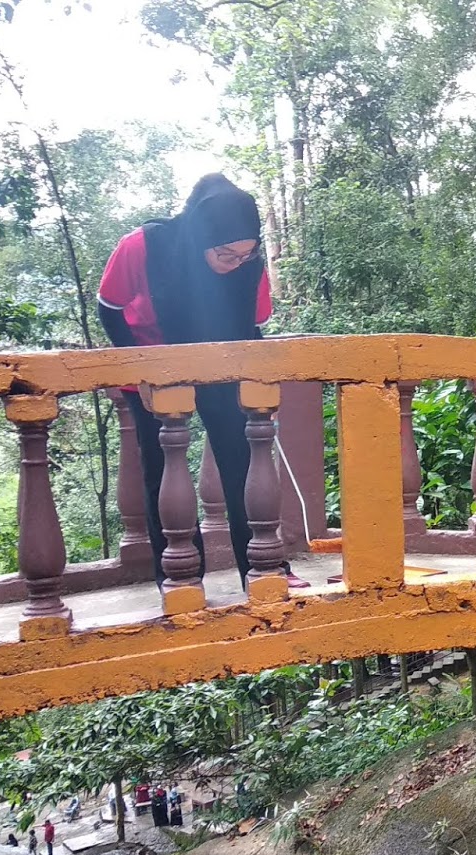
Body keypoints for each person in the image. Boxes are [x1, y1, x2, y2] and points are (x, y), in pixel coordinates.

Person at [98, 174, 308, 591]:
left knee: (242, 461)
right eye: (226, 254)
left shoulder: (248, 265)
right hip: (154, 367)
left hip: (222, 363)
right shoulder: (143, 246)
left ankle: (263, 566)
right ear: (200, 237)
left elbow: (256, 320)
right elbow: (109, 306)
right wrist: (137, 369)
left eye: (245, 256)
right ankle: (178, 574)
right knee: (161, 470)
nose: (236, 264)